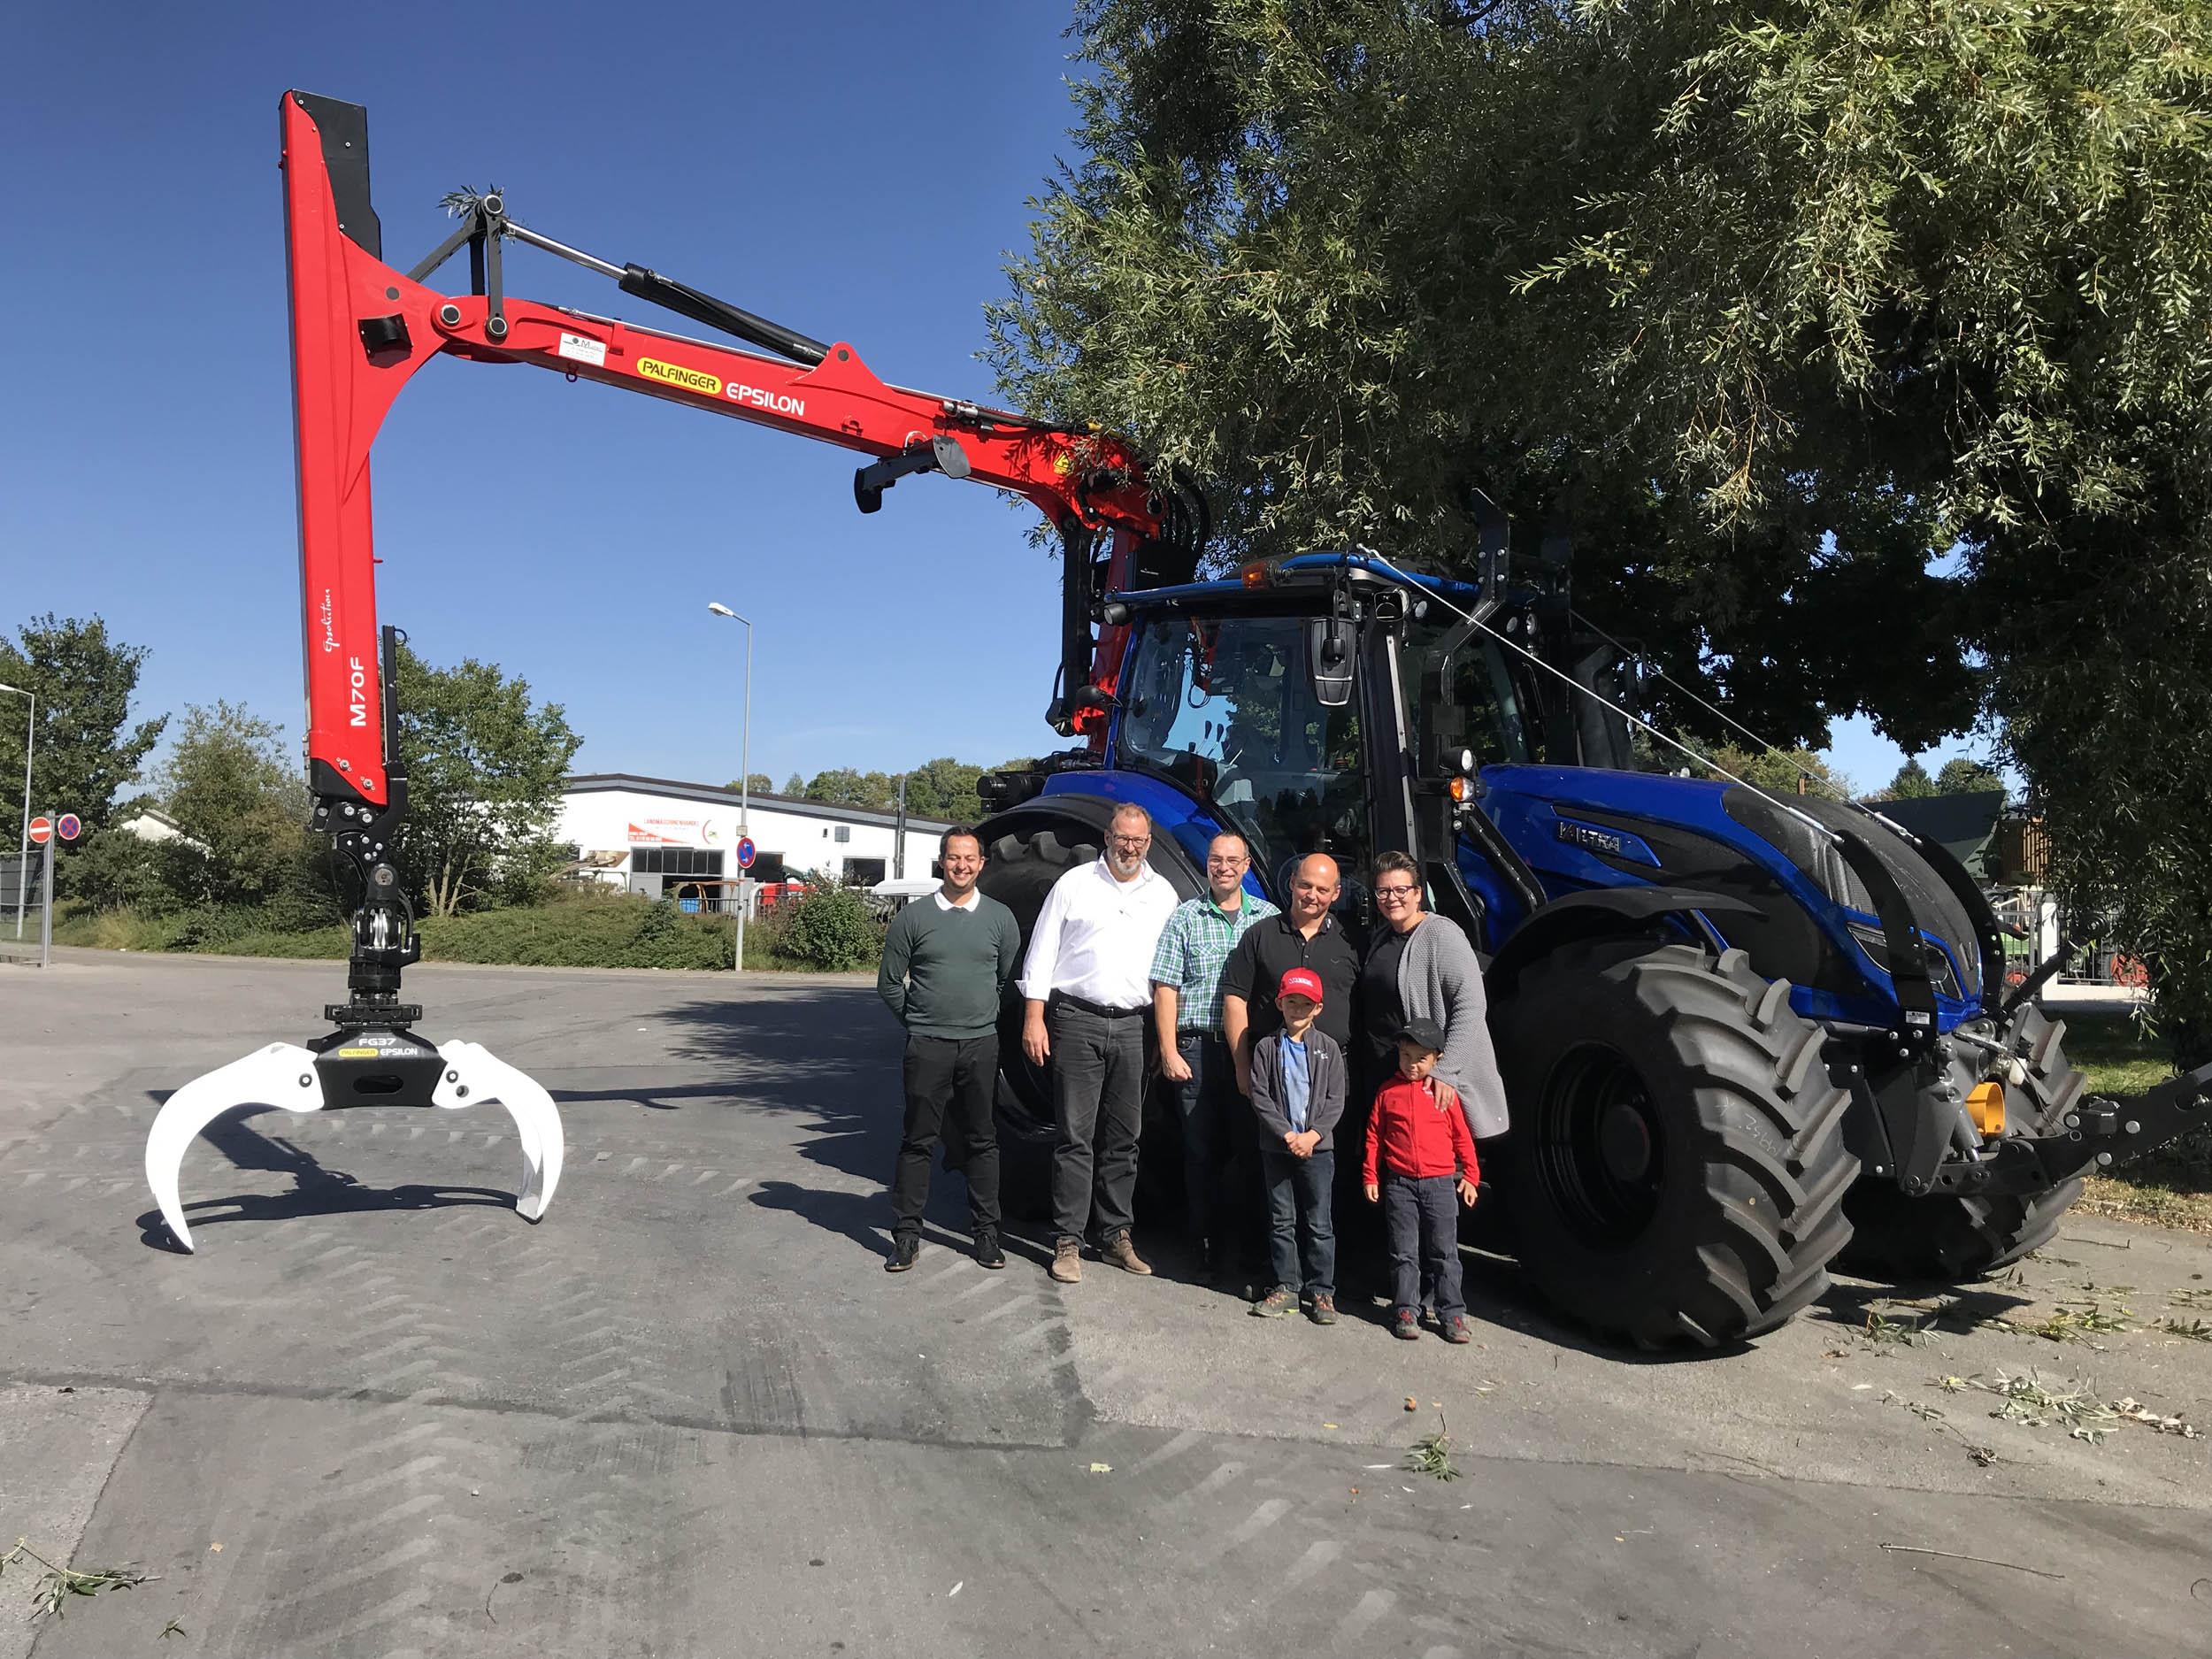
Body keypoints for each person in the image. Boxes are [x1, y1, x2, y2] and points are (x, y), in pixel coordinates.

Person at [1019, 803, 1180, 1284]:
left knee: (1124, 1138)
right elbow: (1042, 949)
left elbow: (1170, 971)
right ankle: (1068, 1240)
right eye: (1121, 838)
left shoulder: (1163, 894)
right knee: (1074, 1136)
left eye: (1138, 840)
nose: (1129, 847)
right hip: (1076, 1020)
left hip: (1134, 1025)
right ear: (1108, 837)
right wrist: (1034, 1018)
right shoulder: (1074, 883)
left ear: (1148, 842)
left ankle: (1115, 1236)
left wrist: (1162, 1036)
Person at [876, 826, 1024, 1272]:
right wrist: (920, 1021)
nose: (962, 866)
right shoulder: (914, 918)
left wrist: (978, 1017)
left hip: (980, 1045)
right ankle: (906, 1235)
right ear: (942, 862)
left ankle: (985, 1235)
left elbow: (1004, 980)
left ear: (982, 864)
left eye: (970, 858)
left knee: (983, 1139)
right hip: (927, 1046)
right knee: (918, 1139)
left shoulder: (1000, 919)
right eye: (954, 858)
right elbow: (889, 984)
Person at [1149, 831, 1279, 1280]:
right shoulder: (1184, 918)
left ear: (1246, 867)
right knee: (1200, 1152)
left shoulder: (1267, 918)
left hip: (1248, 1050)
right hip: (1197, 1048)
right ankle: (1202, 1244)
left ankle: (1245, 1250)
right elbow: (1165, 987)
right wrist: (1168, 1049)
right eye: (1215, 860)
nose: (1223, 867)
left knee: (1250, 1151)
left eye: (1232, 861)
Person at [1361, 851, 1509, 1143]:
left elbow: (1470, 1004)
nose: (1392, 898)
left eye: (1401, 890)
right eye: (1384, 891)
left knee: (1434, 1170)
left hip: (1428, 1080)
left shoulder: (1442, 935)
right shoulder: (1381, 937)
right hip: (1390, 1078)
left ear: (1418, 893)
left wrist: (1445, 1071)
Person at [1363, 1017, 1480, 1343]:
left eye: (1420, 1059)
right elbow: (1375, 1136)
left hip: (1440, 1184)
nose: (1412, 1065)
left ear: (1437, 1058)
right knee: (1404, 1252)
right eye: (1405, 1057)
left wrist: (1471, 1175)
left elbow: (1462, 1137)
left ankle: (1452, 1312)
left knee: (1444, 1252)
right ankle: (1405, 1309)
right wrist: (1371, 1175)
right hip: (1400, 1184)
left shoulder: (1443, 1094)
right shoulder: (1388, 1092)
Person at [1246, 968, 1347, 1323]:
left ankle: (1322, 1292)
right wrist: (1287, 1134)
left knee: (1319, 1222)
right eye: (1292, 1002)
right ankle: (1287, 1286)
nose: (1298, 1009)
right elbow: (1260, 1095)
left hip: (1317, 1150)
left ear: (1318, 1008)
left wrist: (1312, 1136)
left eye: (1306, 1004)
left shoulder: (1329, 1050)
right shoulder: (1265, 1048)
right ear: (1280, 1003)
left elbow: (1336, 1099)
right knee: (1281, 1219)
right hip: (1277, 1148)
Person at [1220, 853, 1361, 1098]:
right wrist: (1242, 1067)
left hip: (1333, 1075)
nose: (1312, 895)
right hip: (1270, 1072)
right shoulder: (1260, 935)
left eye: (1322, 889)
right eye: (1305, 885)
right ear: (1292, 882)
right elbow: (1235, 1000)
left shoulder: (1353, 940)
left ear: (1336, 893)